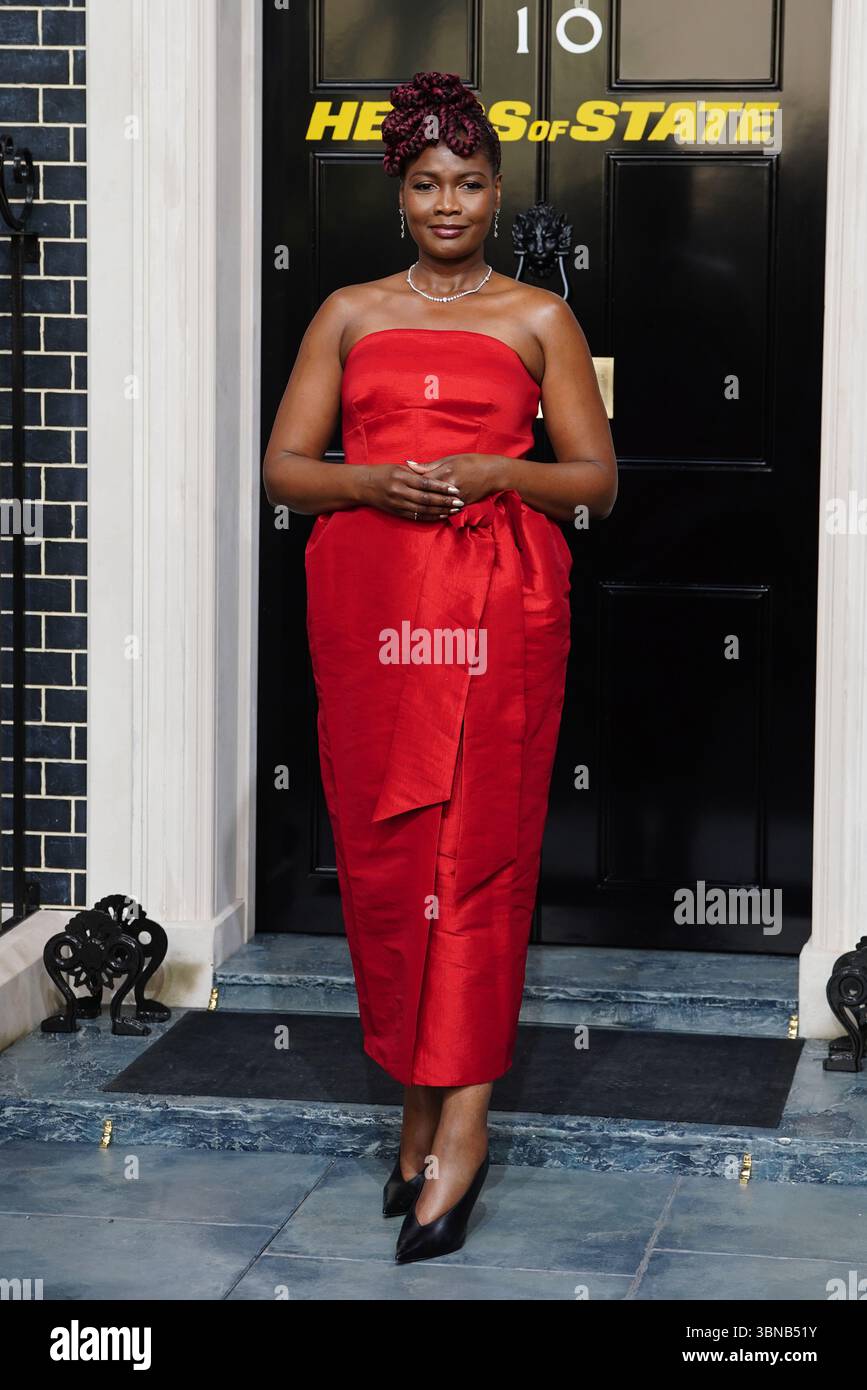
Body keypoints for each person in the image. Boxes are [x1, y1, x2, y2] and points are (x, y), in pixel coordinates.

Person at [262, 69, 617, 1264]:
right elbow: (285, 472)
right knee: (389, 858)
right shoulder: (348, 312)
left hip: (499, 613)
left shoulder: (537, 319)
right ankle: (416, 1101)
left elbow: (596, 484)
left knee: (474, 862)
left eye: (469, 183)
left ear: (498, 191)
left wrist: (497, 472)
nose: (449, 203)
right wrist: (373, 482)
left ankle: (460, 1129)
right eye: (426, 183)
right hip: (370, 618)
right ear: (397, 194)